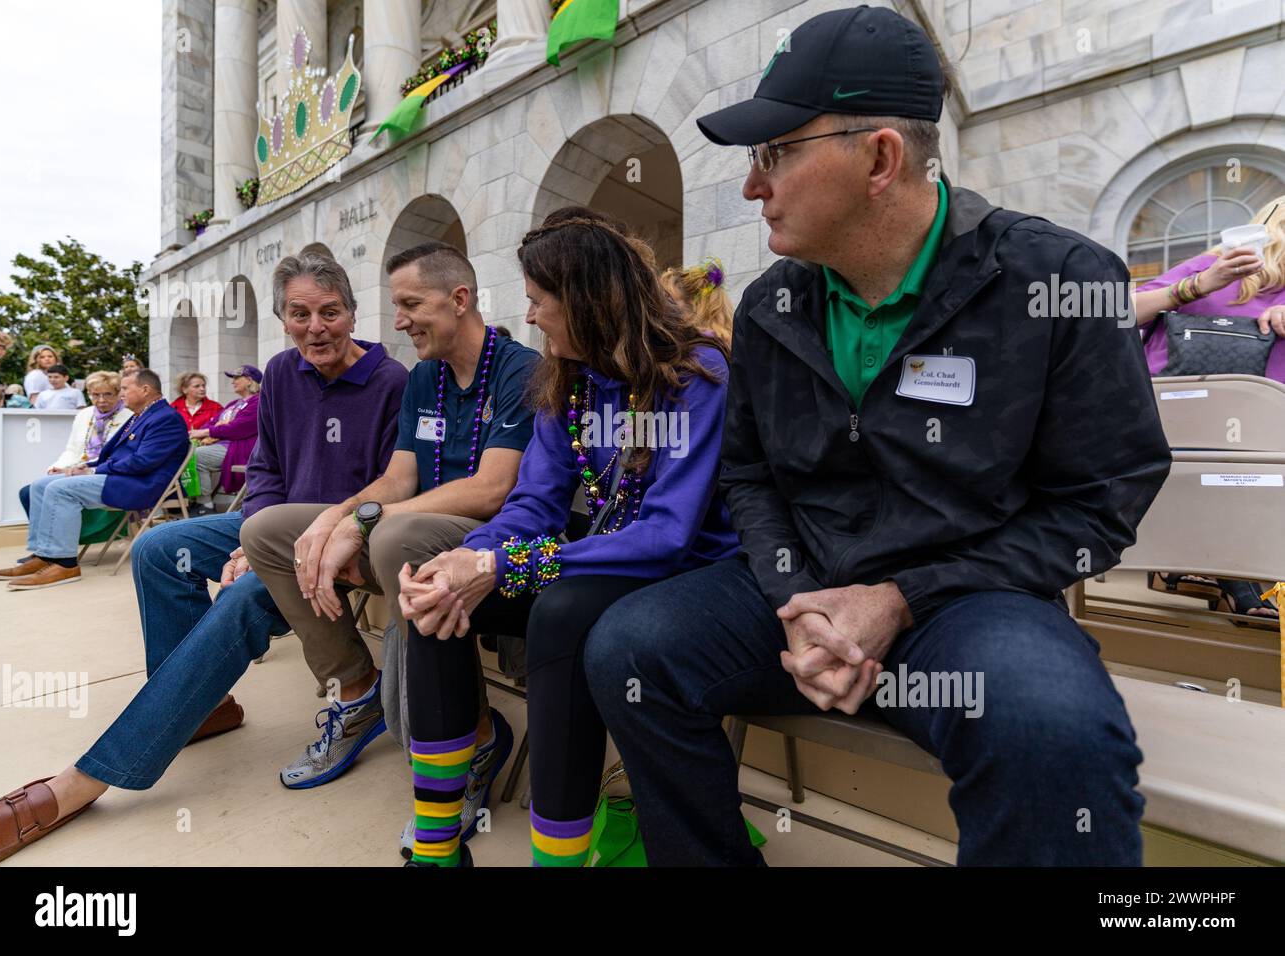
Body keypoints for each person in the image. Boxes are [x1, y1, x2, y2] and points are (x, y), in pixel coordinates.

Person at [582, 6, 1172, 867]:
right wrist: (798, 601)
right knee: (629, 647)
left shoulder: (1057, 280)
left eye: (775, 153)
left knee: (1056, 734)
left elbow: (1097, 506)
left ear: (881, 159)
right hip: (807, 589)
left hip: (970, 604)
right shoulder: (773, 303)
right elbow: (750, 478)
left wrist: (898, 599)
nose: (753, 185)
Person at [0, 252, 408, 866]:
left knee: (241, 597)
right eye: (299, 314)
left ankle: (92, 776)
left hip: (335, 537)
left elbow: (389, 486)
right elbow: (265, 470)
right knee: (159, 548)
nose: (316, 327)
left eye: (329, 312)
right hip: (269, 525)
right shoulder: (282, 374)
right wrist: (250, 536)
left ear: (350, 312)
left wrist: (271, 545)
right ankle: (202, 708)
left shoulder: (390, 380)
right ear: (282, 318)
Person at [392, 212, 737, 867]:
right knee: (439, 603)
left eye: (537, 301)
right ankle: (437, 852)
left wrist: (509, 563)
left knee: (562, 612)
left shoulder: (696, 371)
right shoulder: (566, 380)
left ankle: (557, 861)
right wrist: (471, 556)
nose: (528, 318)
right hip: (603, 559)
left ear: (587, 301)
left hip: (688, 575)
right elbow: (533, 505)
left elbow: (665, 537)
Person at [242, 244, 537, 850]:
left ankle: (469, 742)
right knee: (266, 531)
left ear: (460, 300)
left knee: (395, 537)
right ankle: (356, 689)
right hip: (406, 535)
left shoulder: (518, 369)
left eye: (408, 304)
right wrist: (337, 518)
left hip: (485, 548)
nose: (397, 321)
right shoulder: (426, 376)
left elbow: (490, 490)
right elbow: (399, 477)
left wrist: (371, 520)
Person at [1132, 196, 1285, 624]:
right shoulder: (1216, 264)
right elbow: (1115, 313)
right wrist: (1196, 286)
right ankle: (1230, 573)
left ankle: (1206, 565)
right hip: (1191, 420)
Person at [0, 368, 189, 591]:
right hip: (123, 478)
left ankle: (65, 564)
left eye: (124, 388)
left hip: (142, 485)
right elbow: (117, 456)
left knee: (60, 490)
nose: (121, 394)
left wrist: (95, 471)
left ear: (145, 389)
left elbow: (143, 462)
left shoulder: (166, 418)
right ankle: (43, 554)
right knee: (39, 486)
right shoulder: (142, 414)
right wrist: (85, 466)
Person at [18, 371, 132, 516]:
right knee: (27, 492)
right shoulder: (84, 414)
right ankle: (42, 537)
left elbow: (117, 457)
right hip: (76, 468)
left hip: (101, 472)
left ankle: (59, 536)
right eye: (96, 395)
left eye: (108, 394)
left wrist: (83, 469)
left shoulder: (129, 417)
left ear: (117, 394)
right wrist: (58, 467)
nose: (101, 400)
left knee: (46, 490)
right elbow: (72, 449)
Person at [187, 365, 261, 516]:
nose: (233, 382)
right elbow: (213, 422)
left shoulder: (259, 402)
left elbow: (238, 428)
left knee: (197, 455)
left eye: (236, 378)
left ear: (249, 380)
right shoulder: (233, 404)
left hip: (239, 449)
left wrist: (208, 432)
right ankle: (192, 501)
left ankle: (204, 505)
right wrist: (204, 433)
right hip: (223, 445)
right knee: (187, 452)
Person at [660, 256, 734, 345]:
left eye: (670, 300)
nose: (662, 307)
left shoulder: (702, 349)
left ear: (694, 306)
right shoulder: (720, 342)